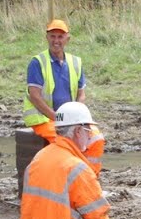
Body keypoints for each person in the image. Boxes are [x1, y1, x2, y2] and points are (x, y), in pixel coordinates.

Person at [23, 19, 102, 174]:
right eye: (53, 36)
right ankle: (73, 179)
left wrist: (77, 117)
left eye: (60, 37)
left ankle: (91, 178)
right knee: (67, 142)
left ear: (67, 39)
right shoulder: (37, 62)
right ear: (47, 37)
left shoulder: (75, 62)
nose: (56, 41)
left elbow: (81, 94)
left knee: (95, 138)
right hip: (44, 120)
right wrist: (59, 119)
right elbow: (35, 96)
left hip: (70, 120)